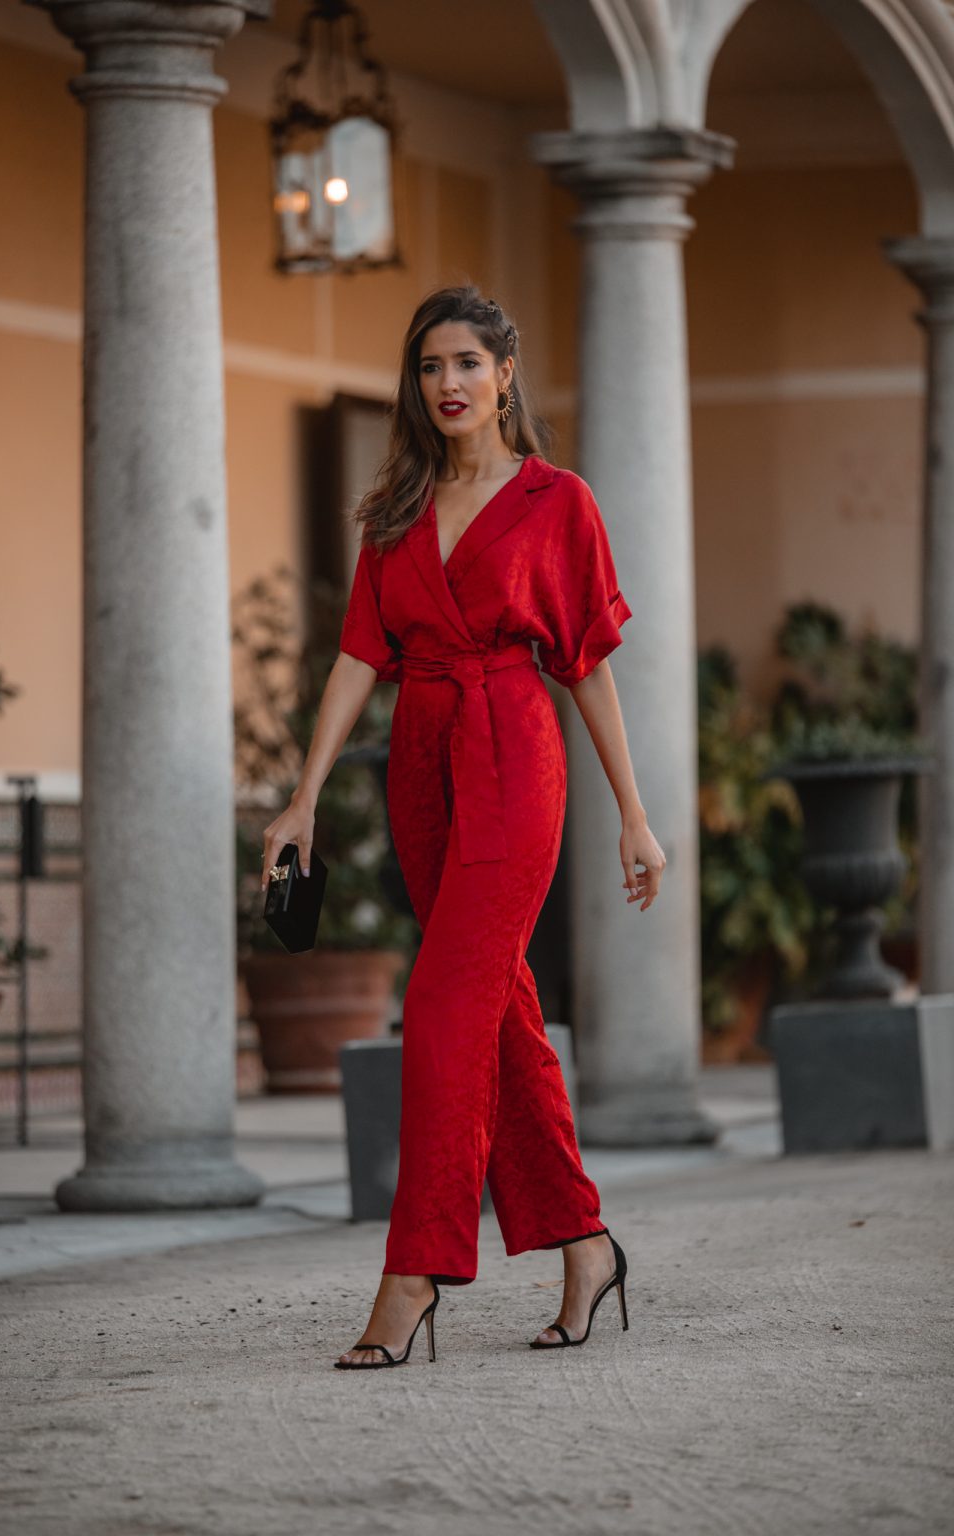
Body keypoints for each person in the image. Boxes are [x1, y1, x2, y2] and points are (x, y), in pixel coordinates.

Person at [261, 284, 666, 1369]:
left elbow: (584, 665)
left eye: (465, 364)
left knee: (441, 1004)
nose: (447, 384)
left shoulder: (555, 501)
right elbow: (357, 654)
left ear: (504, 376)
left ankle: (416, 1272)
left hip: (514, 756)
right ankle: (585, 1245)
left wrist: (633, 813)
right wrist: (302, 800)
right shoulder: (394, 506)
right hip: (420, 767)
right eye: (430, 366)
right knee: (498, 1013)